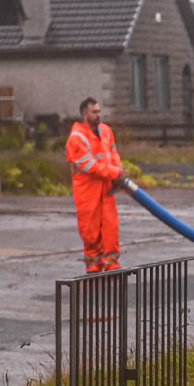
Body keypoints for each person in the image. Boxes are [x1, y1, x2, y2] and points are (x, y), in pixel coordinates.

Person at [65, 97, 126, 272]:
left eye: (99, 111)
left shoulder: (105, 131)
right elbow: (91, 166)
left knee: (110, 225)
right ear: (85, 114)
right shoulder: (76, 138)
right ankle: (93, 263)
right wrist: (115, 173)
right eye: (94, 112)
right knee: (90, 228)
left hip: (106, 186)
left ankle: (111, 261)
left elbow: (113, 152)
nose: (98, 115)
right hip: (87, 189)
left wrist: (118, 169)